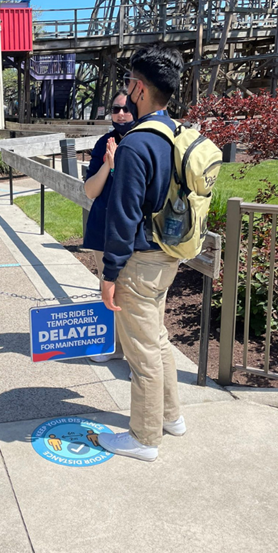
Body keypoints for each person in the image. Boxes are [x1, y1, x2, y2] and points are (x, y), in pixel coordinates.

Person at [96, 44, 189, 463]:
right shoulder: (173, 133)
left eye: (129, 82)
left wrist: (109, 272)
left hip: (139, 259)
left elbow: (124, 214)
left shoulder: (135, 145)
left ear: (138, 87)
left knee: (141, 353)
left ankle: (144, 437)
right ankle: (171, 417)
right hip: (168, 253)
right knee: (158, 340)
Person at [82, 89, 135, 364]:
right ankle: (113, 346)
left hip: (136, 230)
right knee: (108, 288)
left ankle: (136, 358)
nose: (121, 114)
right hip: (104, 227)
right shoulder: (105, 142)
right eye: (115, 109)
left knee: (134, 295)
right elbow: (90, 191)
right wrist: (108, 165)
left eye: (126, 109)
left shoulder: (143, 141)